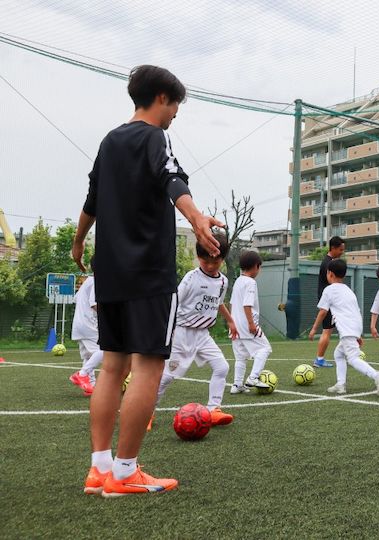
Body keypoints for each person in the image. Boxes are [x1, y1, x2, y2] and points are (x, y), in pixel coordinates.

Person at [71, 65, 223, 496]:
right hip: (148, 272)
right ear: (161, 98)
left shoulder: (110, 140)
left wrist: (78, 242)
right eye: (175, 105)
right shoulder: (156, 137)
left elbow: (92, 200)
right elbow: (172, 179)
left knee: (111, 366)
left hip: (109, 271)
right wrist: (197, 218)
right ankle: (125, 472)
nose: (176, 113)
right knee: (148, 367)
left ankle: (99, 469)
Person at [153, 232, 237, 429]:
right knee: (167, 376)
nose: (210, 266)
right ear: (199, 257)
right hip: (181, 333)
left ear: (222, 259)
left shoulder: (223, 282)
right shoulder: (191, 278)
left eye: (215, 262)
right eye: (205, 261)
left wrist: (231, 321)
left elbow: (218, 302)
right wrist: (165, 328)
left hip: (203, 335)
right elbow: (174, 302)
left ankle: (213, 409)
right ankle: (146, 412)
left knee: (222, 367)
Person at [309, 259, 379, 395]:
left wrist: (314, 329)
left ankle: (376, 375)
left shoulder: (328, 290)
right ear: (344, 275)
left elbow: (323, 311)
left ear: (330, 273)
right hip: (354, 328)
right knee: (338, 354)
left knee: (352, 358)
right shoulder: (348, 290)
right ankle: (341, 384)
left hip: (347, 330)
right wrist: (358, 334)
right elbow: (356, 311)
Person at [230, 251, 273, 392]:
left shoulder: (238, 281)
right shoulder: (250, 282)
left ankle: (237, 385)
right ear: (256, 266)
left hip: (235, 325)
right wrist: (251, 324)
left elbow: (232, 303)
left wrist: (231, 322)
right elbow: (247, 305)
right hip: (246, 325)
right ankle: (253, 377)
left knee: (241, 356)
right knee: (265, 348)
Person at [69, 258, 102, 397]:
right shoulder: (97, 281)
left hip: (79, 324)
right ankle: (82, 374)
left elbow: (76, 299)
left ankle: (90, 386)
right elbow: (94, 304)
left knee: (88, 356)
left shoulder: (87, 281)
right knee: (105, 350)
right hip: (89, 324)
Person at [314, 236, 345, 368]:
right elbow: (332, 283)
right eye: (340, 249)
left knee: (333, 329)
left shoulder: (330, 262)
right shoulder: (328, 264)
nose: (342, 252)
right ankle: (319, 359)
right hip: (329, 302)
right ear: (333, 248)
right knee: (327, 330)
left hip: (330, 301)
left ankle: (322, 358)